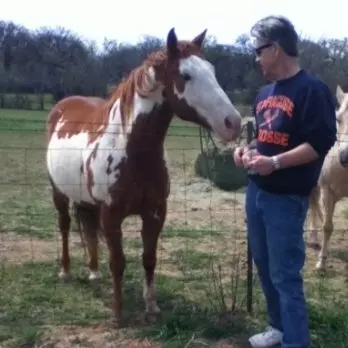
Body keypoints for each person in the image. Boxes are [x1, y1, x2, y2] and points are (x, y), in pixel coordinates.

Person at [233, 15, 337, 348]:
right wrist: (245, 152)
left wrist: (275, 162)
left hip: (286, 199)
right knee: (264, 266)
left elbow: (320, 144)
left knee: (285, 275)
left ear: (275, 49)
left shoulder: (312, 90)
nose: (257, 58)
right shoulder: (264, 94)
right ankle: (277, 329)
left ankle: (296, 342)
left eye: (259, 50)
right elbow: (263, 140)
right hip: (257, 192)